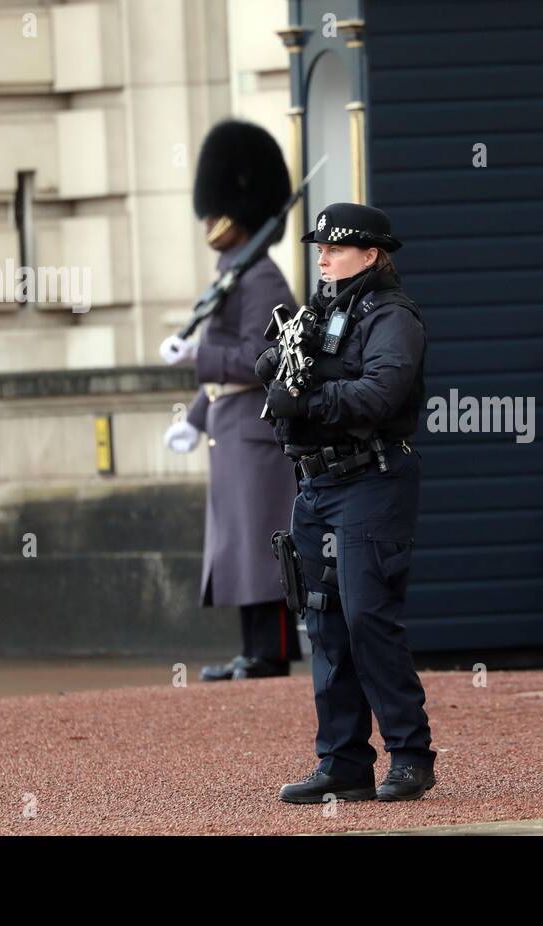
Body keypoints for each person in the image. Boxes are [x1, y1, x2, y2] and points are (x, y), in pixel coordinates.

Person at [260, 202, 436, 802]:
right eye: (321, 249)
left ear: (371, 254)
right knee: (326, 622)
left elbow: (381, 394)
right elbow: (287, 373)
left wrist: (306, 399)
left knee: (368, 618)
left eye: (335, 249)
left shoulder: (393, 315)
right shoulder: (321, 310)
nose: (324, 257)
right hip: (317, 484)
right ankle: (343, 762)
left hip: (373, 479)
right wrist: (279, 370)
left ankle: (410, 755)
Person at [160, 119, 300, 681]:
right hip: (230, 428)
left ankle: (272, 652)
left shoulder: (261, 279)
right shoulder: (234, 275)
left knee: (263, 546)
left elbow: (261, 361)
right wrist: (195, 418)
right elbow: (224, 358)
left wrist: (193, 358)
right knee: (240, 546)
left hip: (255, 431)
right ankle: (253, 649)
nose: (209, 222)